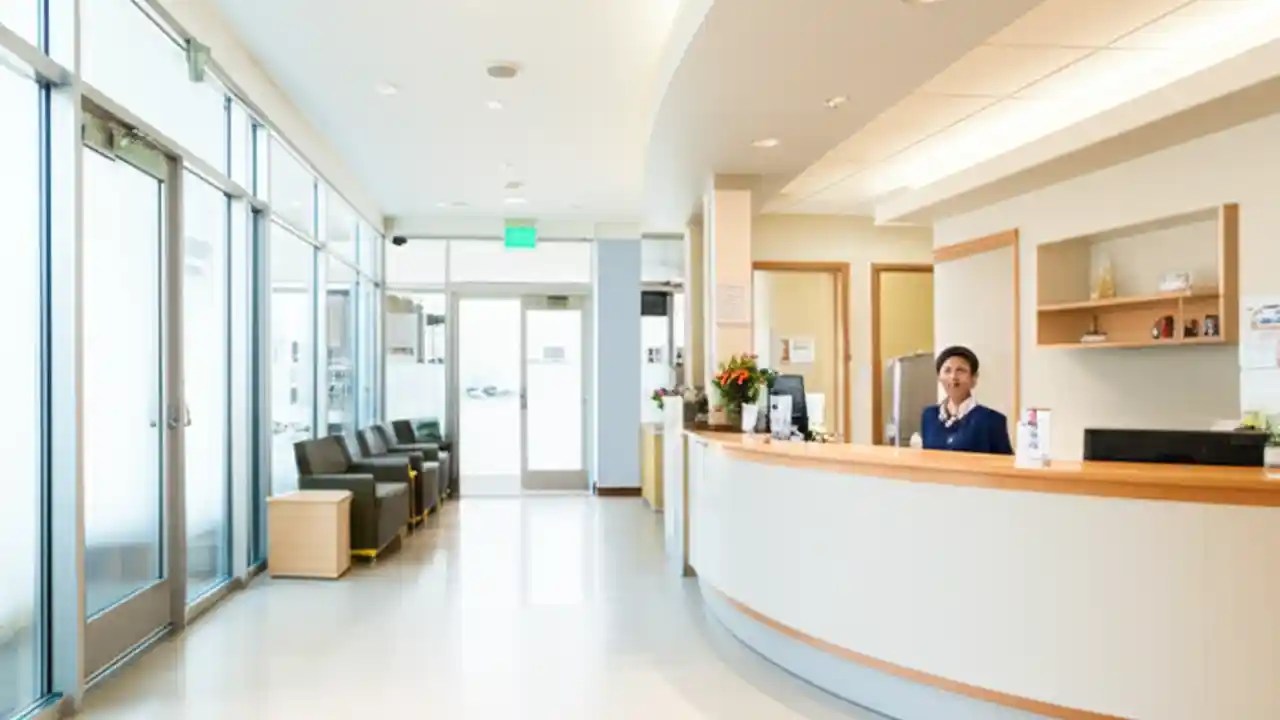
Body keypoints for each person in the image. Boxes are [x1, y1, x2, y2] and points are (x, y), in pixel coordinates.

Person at [919, 346, 1012, 455]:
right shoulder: (929, 415)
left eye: (961, 370)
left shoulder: (992, 420)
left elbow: (1005, 464)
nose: (953, 376)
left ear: (974, 378)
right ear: (939, 377)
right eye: (947, 370)